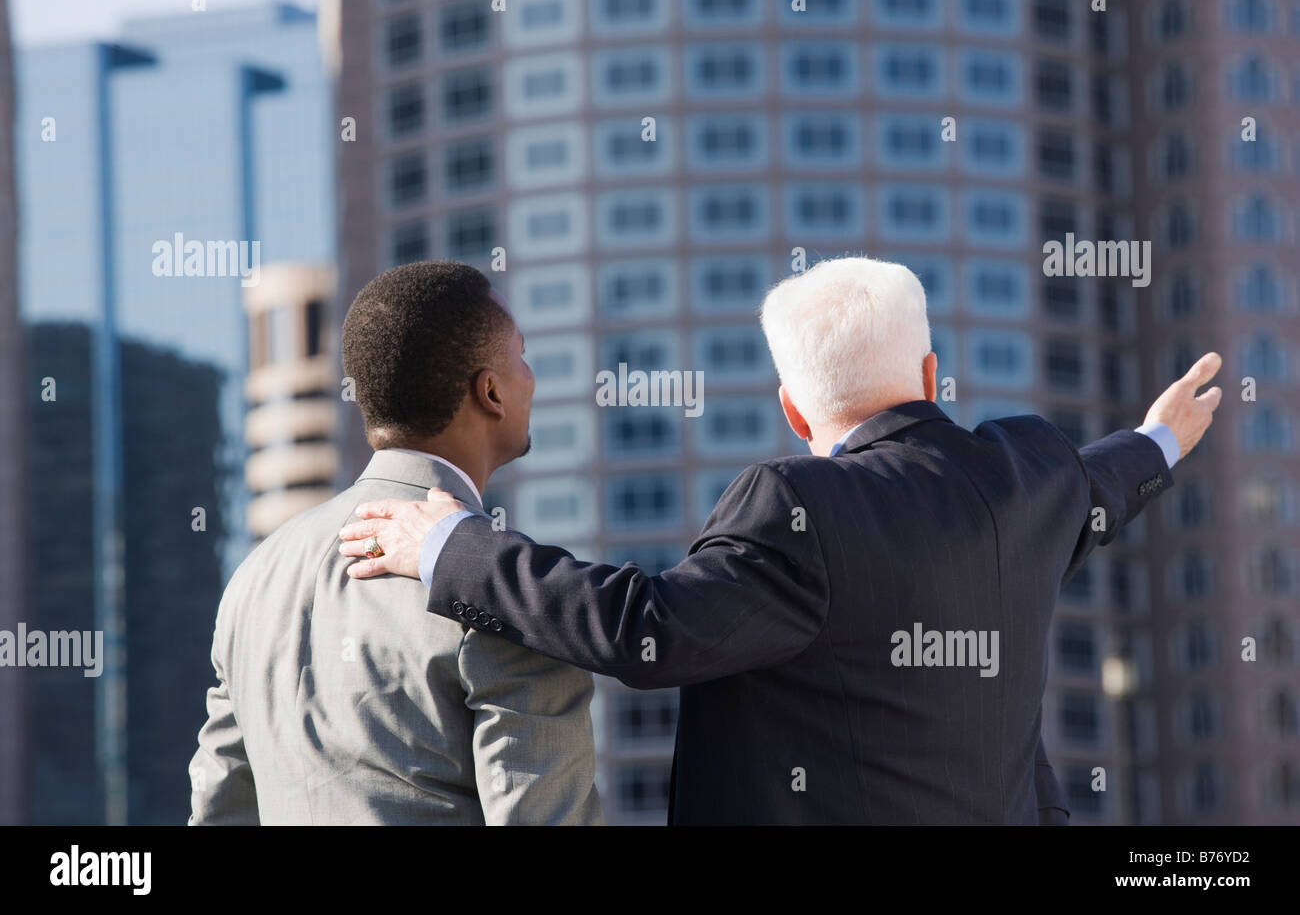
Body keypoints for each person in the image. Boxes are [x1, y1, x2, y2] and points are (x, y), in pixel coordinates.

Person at [341, 256, 1222, 825]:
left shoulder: (797, 506)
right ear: (928, 376)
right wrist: (1162, 441)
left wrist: (455, 548)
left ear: (795, 410)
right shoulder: (1030, 475)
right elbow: (1099, 487)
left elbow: (648, 631)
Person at [189, 260, 602, 825]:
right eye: (521, 355)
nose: (530, 375)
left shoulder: (253, 579)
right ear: (490, 391)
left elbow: (219, 809)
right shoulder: (506, 588)